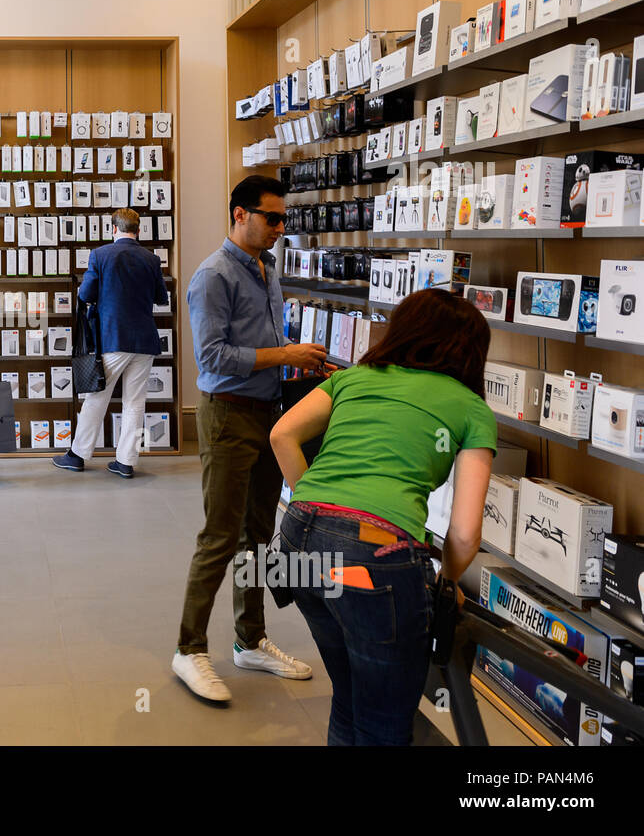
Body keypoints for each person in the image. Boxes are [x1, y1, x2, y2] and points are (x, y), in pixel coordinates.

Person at [270, 289, 495, 745]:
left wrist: (311, 505)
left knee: (349, 697)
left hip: (295, 542)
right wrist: (448, 582)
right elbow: (467, 531)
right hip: (376, 555)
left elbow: (281, 434)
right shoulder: (472, 410)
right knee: (385, 724)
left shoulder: (355, 378)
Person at [173, 175, 327, 703]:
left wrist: (297, 363)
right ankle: (188, 649)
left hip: (270, 414)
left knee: (258, 534)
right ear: (239, 214)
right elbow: (212, 357)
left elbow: (264, 341)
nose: (281, 228)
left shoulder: (267, 266)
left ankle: (249, 639)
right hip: (226, 417)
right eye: (272, 218)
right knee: (219, 535)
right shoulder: (212, 276)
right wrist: (285, 357)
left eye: (285, 218)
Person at [52, 208, 168, 478]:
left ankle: (78, 455)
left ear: (113, 229)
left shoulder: (101, 255)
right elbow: (161, 297)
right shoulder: (151, 259)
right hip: (144, 339)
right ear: (138, 230)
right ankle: (126, 462)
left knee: (96, 397)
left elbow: (87, 293)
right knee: (135, 402)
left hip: (113, 337)